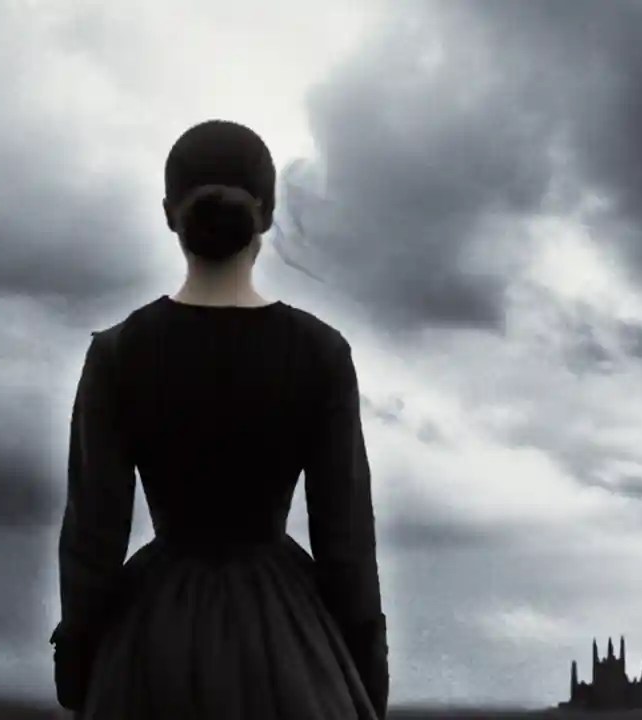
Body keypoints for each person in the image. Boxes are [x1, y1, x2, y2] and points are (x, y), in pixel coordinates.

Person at [50, 119, 389, 719]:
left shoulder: (119, 353)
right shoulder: (319, 352)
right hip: (290, 646)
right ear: (267, 214)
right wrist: (364, 675)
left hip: (149, 650)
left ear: (169, 213)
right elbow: (347, 540)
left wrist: (79, 664)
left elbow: (93, 535)